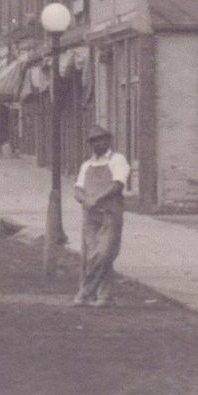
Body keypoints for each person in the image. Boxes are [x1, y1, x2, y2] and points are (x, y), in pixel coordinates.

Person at [72, 126, 129, 307]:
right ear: (90, 144)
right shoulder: (86, 165)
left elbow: (118, 184)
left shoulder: (117, 160)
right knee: (90, 255)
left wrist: (97, 197)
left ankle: (84, 292)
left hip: (109, 214)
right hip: (90, 217)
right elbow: (77, 189)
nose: (98, 143)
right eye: (94, 140)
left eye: (102, 139)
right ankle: (104, 296)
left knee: (104, 254)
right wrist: (84, 200)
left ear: (108, 140)